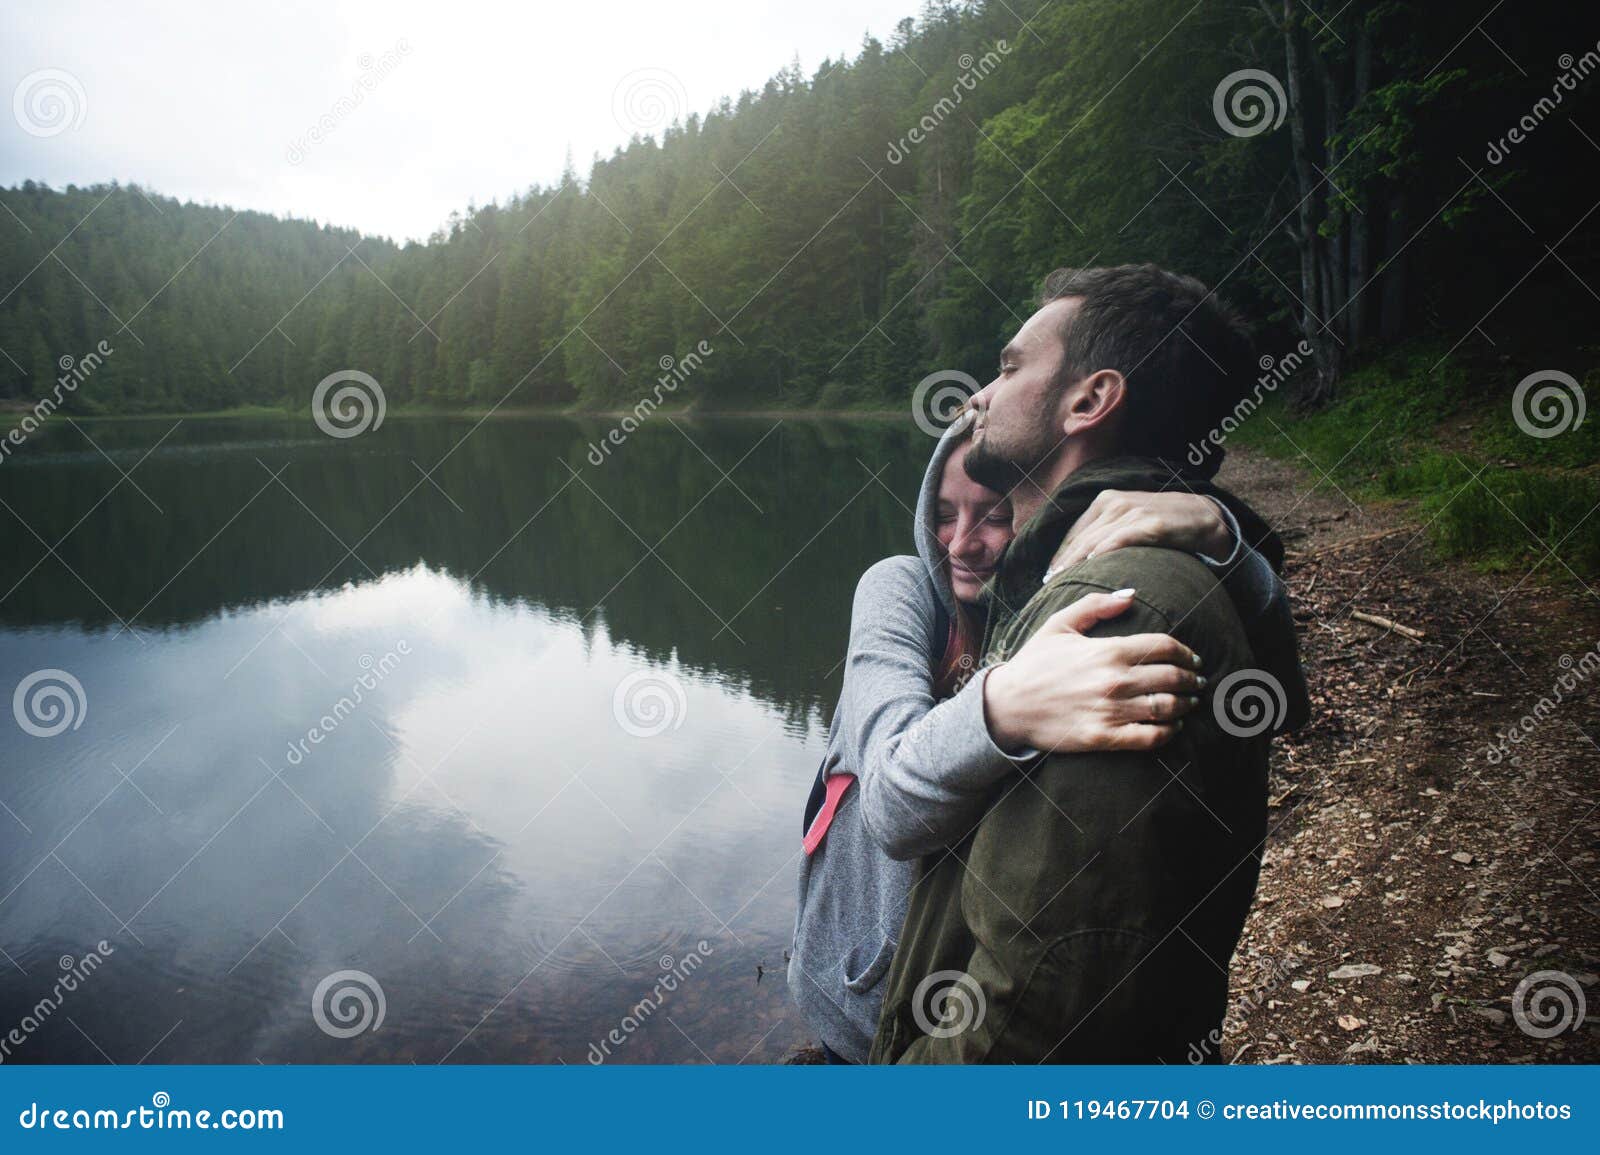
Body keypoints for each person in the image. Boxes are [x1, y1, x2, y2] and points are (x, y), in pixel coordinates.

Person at [869, 263, 1310, 1064]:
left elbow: (1043, 1008)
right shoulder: (1070, 576)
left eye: (1008, 368)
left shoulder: (1118, 607)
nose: (977, 397)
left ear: (1089, 400)